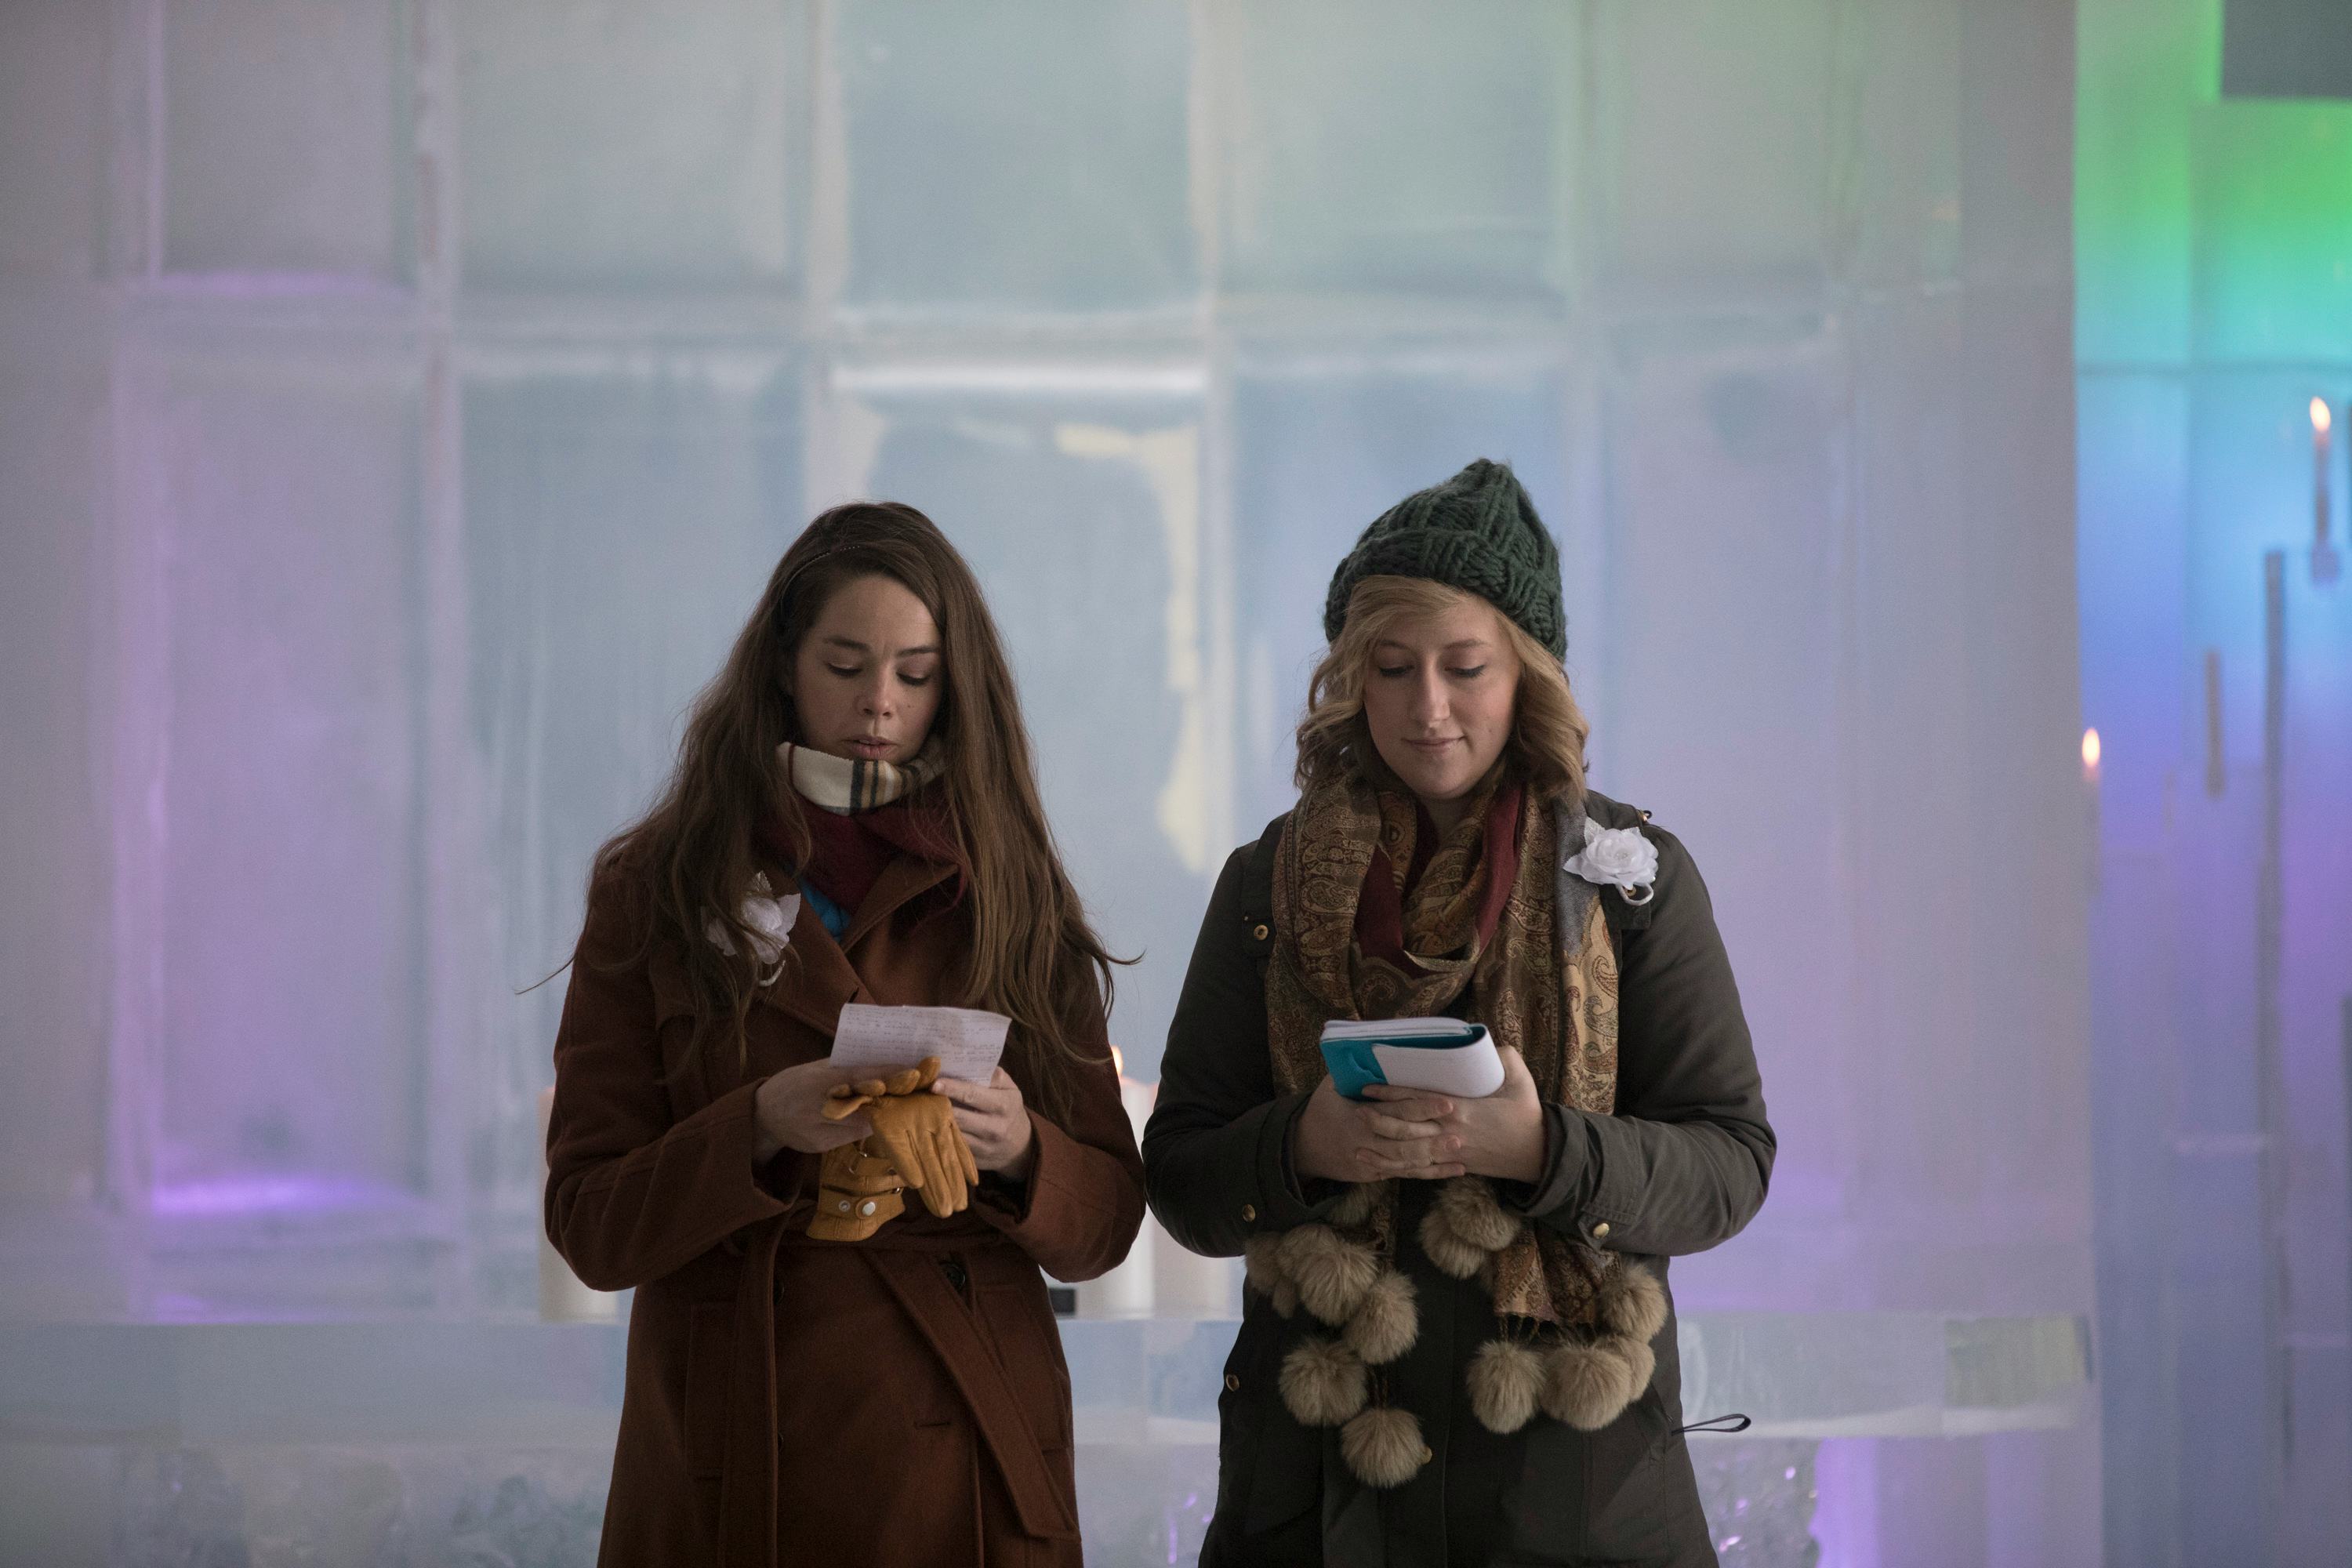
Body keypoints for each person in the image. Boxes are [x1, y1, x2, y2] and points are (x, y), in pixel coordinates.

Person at [1145, 460, 1774, 1566]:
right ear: (1354, 681)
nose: (1428, 707)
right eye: (1392, 668)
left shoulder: (1628, 880)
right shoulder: (1266, 884)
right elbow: (1183, 1175)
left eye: (1465, 667)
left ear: (1526, 676)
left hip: (1572, 1497)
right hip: (1318, 1492)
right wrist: (1301, 1145)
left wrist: (1546, 1149)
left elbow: (1730, 1165)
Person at [545, 502, 1145, 1568]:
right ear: (782, 663)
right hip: (735, 1446)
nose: (879, 704)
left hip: (961, 1454)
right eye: (846, 663)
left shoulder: (1013, 890)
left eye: (915, 675)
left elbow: (1106, 1225)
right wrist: (758, 1127)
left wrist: (1022, 1150)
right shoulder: (655, 888)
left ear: (955, 686)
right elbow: (590, 1225)